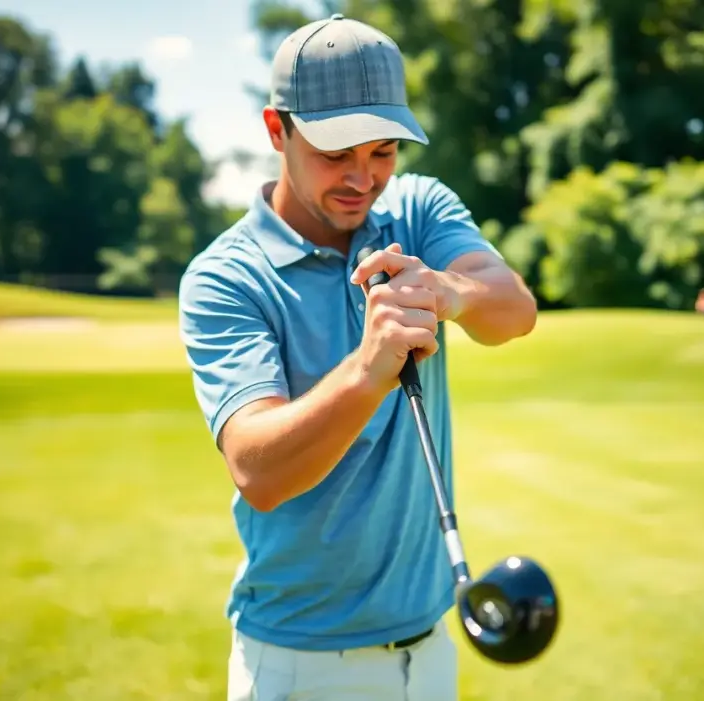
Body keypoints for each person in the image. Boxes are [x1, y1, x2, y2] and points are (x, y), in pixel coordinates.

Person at [178, 13, 538, 700]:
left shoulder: (418, 210)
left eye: (382, 151)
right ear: (277, 131)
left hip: (430, 650)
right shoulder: (227, 276)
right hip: (299, 661)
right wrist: (368, 370)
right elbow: (258, 469)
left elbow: (514, 309)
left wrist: (448, 290)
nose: (363, 177)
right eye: (336, 152)